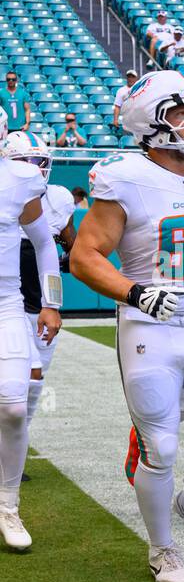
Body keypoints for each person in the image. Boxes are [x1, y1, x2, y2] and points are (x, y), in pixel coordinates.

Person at [69, 70, 184, 582]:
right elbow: (85, 257)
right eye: (183, 112)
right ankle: (162, 549)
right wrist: (136, 291)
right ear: (149, 121)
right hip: (152, 328)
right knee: (160, 447)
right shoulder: (124, 175)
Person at [0, 117, 63, 549]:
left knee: (15, 404)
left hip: (5, 303)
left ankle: (8, 505)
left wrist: (52, 301)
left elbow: (44, 243)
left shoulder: (20, 179)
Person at [2, 131, 76, 445]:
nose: (35, 168)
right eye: (26, 161)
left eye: (40, 161)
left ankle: (17, 440)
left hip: (38, 302)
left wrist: (54, 301)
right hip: (9, 300)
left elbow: (71, 246)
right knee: (22, 377)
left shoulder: (58, 198)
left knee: (35, 380)